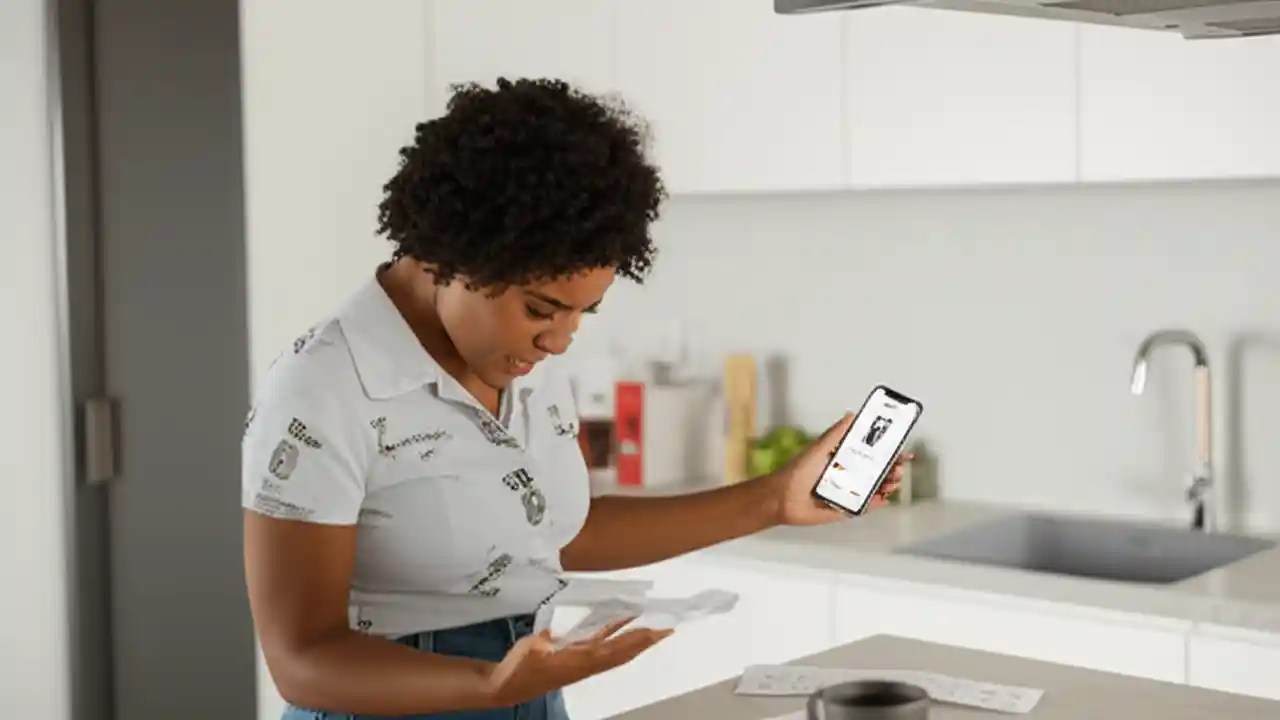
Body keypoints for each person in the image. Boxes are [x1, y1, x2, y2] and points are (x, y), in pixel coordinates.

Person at [241, 78, 908, 720]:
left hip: (528, 699)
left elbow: (560, 533)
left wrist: (774, 498)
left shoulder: (515, 355)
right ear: (452, 254)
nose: (559, 341)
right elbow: (302, 658)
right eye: (542, 309)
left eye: (582, 315)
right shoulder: (323, 390)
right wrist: (489, 684)